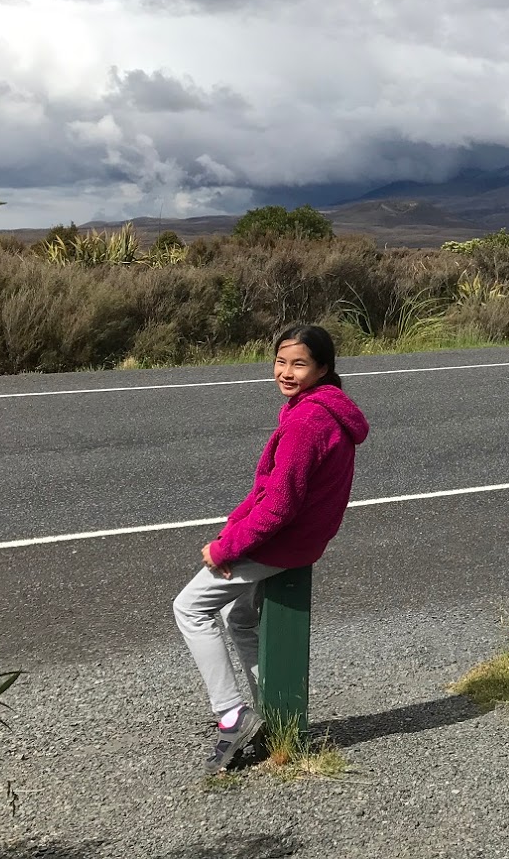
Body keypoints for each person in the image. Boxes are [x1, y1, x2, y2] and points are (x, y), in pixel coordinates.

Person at [173, 323, 369, 774]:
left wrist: (227, 549)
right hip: (296, 537)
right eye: (281, 361)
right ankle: (273, 709)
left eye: (298, 364)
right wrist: (231, 530)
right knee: (236, 616)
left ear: (322, 368)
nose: (286, 371)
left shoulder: (306, 421)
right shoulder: (318, 408)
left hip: (282, 542)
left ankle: (232, 714)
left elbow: (278, 507)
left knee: (190, 608)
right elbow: (267, 491)